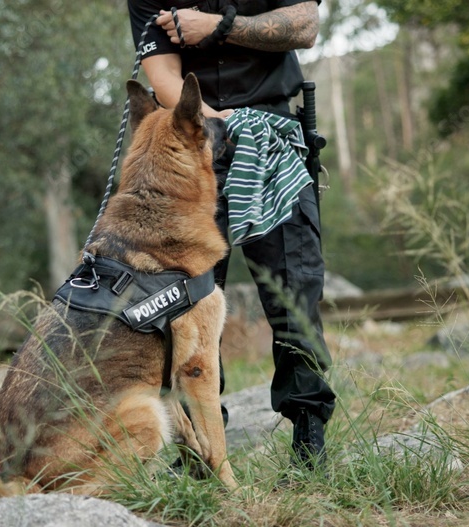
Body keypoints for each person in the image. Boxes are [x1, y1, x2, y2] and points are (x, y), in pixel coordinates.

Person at [127, 0, 336, 471]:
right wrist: (219, 127)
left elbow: (303, 27)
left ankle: (310, 445)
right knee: (182, 303)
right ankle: (196, 453)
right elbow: (163, 77)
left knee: (294, 290)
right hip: (195, 143)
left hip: (276, 140)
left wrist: (216, 27)